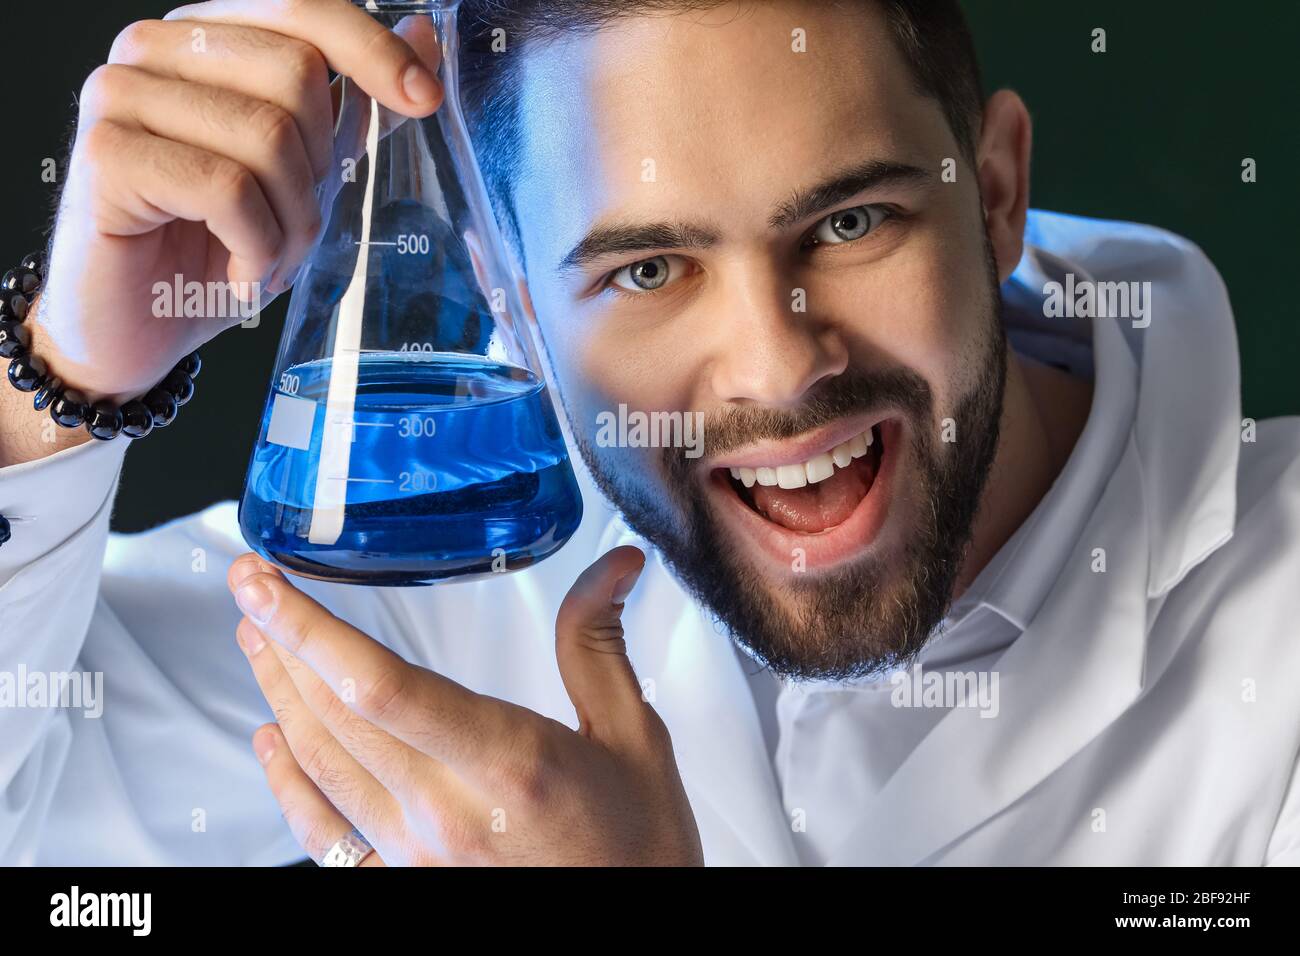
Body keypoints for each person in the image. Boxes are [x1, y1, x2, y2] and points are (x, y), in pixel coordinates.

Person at [1, 0, 1297, 866]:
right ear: (509, 304)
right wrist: (66, 369)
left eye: (849, 226)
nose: (780, 366)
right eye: (646, 270)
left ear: (998, 194)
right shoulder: (461, 567)